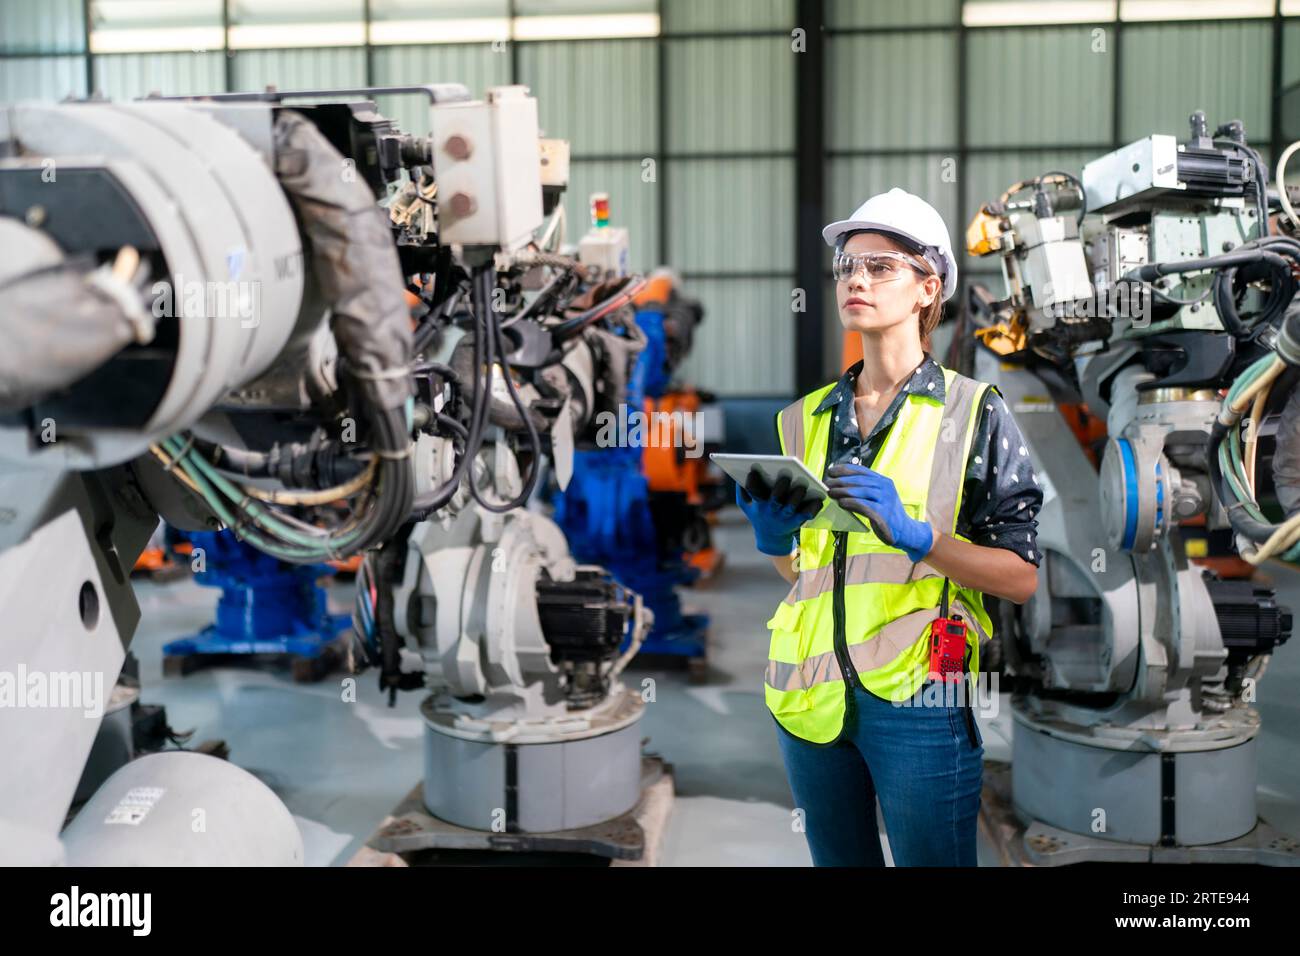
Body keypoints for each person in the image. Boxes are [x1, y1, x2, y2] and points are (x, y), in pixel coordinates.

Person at [737, 188, 1042, 866]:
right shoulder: (803, 420)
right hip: (809, 695)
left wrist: (924, 540)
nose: (856, 279)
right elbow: (810, 572)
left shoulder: (974, 414)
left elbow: (1020, 579)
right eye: (848, 266)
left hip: (920, 698)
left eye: (880, 266)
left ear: (927, 285)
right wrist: (776, 542)